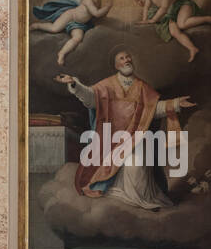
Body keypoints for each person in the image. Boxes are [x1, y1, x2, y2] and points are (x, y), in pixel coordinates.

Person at [55, 48, 196, 208]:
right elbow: (90, 98)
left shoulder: (142, 87)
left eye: (128, 57)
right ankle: (117, 196)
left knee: (136, 166)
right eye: (122, 58)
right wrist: (74, 83)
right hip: (111, 138)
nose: (126, 60)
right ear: (116, 65)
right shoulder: (106, 85)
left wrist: (176, 103)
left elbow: (153, 109)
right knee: (113, 164)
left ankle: (139, 200)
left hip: (135, 137)